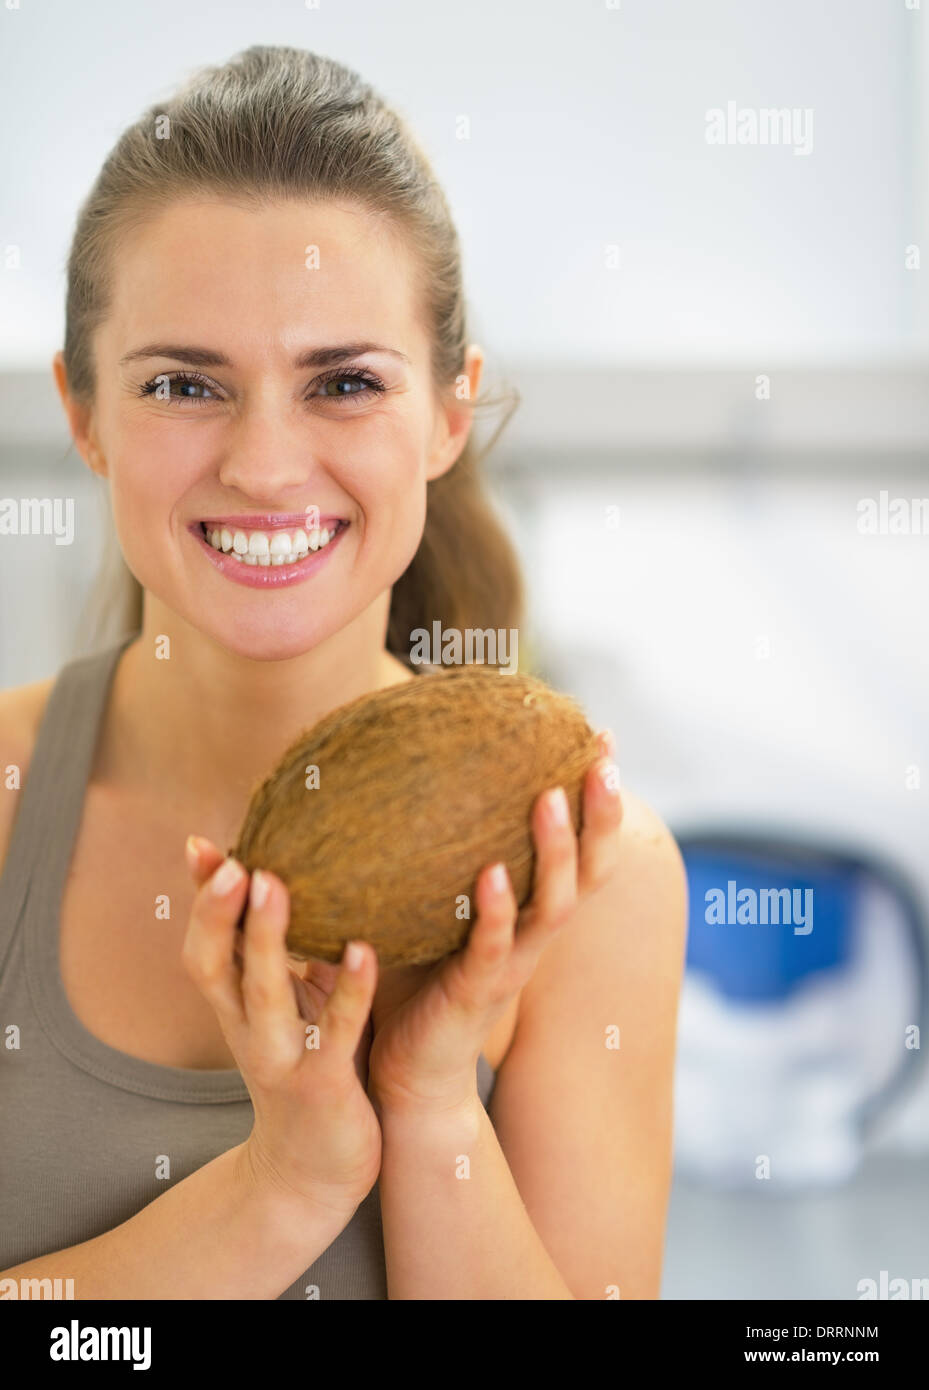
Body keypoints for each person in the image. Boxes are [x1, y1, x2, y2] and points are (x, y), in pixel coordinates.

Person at [0, 45, 686, 1300]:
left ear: (446, 414)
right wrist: (286, 1186)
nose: (264, 465)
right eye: (182, 383)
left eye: (344, 383)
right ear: (83, 411)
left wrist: (429, 1106)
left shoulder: (592, 872)